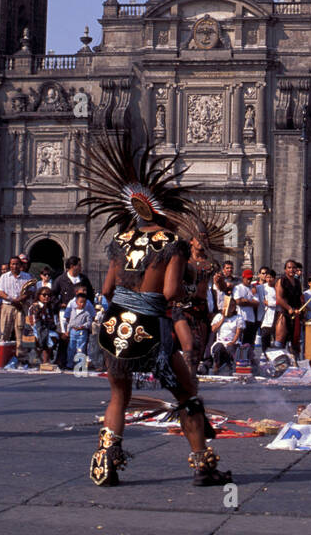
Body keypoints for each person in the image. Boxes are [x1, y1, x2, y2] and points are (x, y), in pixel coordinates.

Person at [76, 132, 233, 487]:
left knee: (119, 394)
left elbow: (106, 289)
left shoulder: (120, 240)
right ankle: (203, 467)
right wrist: (192, 291)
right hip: (149, 327)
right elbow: (170, 291)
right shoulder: (173, 244)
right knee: (187, 393)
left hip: (115, 324)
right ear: (164, 208)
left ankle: (105, 463)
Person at [0, 257, 34, 347]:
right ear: (9, 265)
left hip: (21, 306)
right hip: (7, 306)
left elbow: (30, 291)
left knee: (20, 330)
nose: (15, 266)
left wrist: (20, 299)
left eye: (17, 264)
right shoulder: (4, 277)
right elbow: (0, 292)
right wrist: (11, 299)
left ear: (20, 265)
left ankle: (20, 355)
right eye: (12, 264)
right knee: (5, 331)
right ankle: (4, 355)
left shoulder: (27, 276)